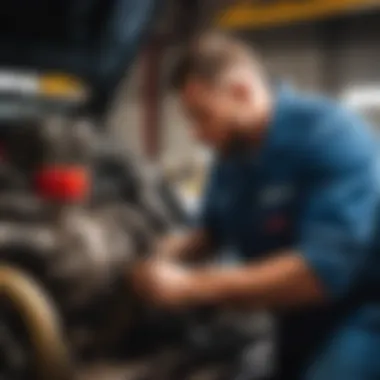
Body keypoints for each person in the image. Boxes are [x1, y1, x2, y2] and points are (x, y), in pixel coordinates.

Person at [131, 32, 380, 380]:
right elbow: (211, 232)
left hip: (362, 313)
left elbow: (321, 274)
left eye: (202, 115)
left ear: (242, 92)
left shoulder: (331, 136)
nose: (196, 133)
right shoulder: (232, 155)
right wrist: (163, 254)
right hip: (295, 317)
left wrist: (190, 286)